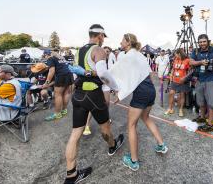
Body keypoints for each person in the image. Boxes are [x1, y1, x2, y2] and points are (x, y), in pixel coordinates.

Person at [63, 24, 124, 183]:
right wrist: (116, 88)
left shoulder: (78, 51)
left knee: (75, 134)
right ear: (100, 35)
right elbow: (103, 74)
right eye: (103, 37)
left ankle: (71, 174)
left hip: (78, 95)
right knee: (105, 129)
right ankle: (112, 145)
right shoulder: (99, 50)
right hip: (93, 95)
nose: (103, 40)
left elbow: (76, 73)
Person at [117, 34, 167, 171]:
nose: (120, 42)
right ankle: (161, 145)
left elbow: (122, 76)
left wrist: (118, 94)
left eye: (122, 40)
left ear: (128, 42)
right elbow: (149, 74)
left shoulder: (128, 56)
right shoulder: (140, 55)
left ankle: (133, 161)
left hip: (141, 92)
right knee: (146, 118)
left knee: (131, 125)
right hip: (150, 90)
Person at [43, 48, 74, 121]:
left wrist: (47, 83)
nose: (44, 57)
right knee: (66, 93)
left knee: (58, 95)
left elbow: (51, 71)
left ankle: (57, 114)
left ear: (46, 55)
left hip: (61, 76)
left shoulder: (50, 58)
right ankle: (64, 110)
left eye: (44, 56)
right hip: (69, 74)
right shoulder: (60, 57)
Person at [164, 49, 191, 117]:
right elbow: (173, 69)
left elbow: (190, 70)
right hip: (174, 80)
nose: (175, 55)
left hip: (183, 81)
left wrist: (185, 77)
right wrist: (171, 75)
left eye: (175, 54)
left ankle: (180, 109)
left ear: (179, 54)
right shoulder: (175, 60)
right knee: (171, 93)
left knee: (181, 95)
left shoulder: (187, 60)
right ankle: (170, 108)